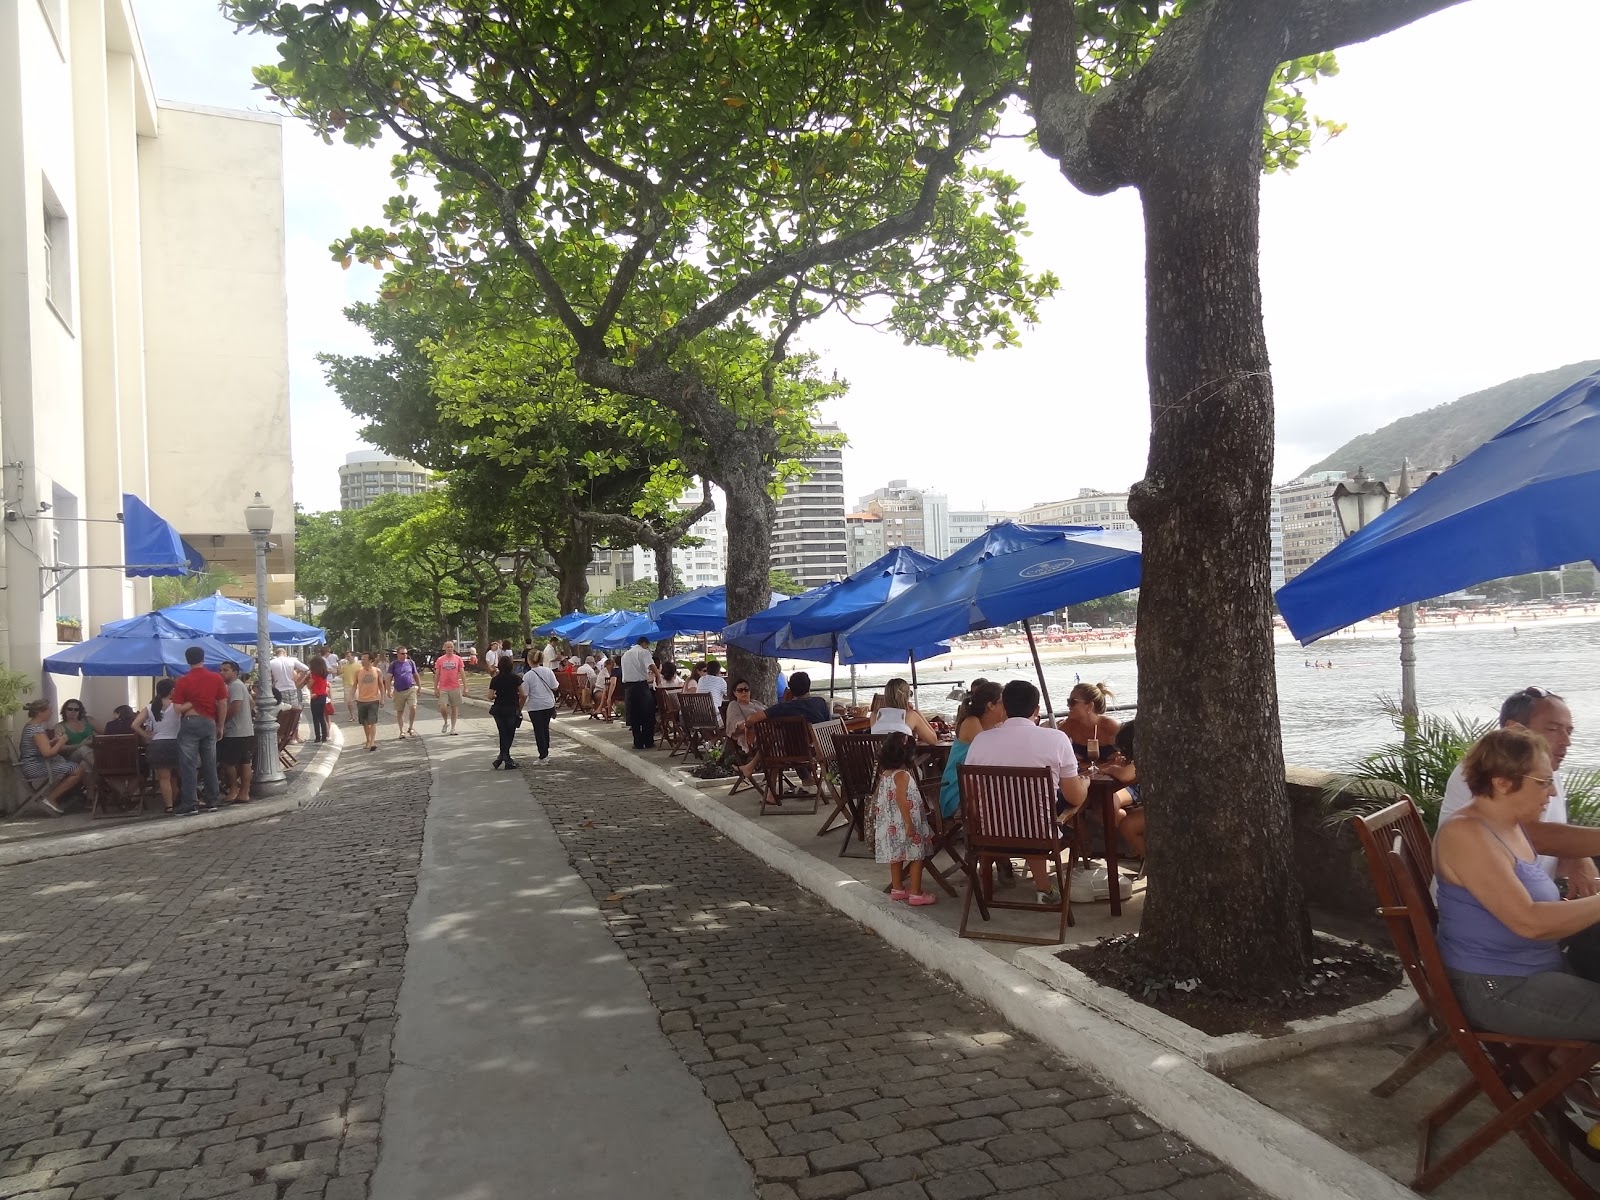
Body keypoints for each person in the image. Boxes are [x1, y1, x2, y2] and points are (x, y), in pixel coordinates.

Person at [1435, 727, 1600, 1042]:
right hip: (1497, 986)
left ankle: (1551, 1070)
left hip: (1536, 968)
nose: (1551, 793)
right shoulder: (1466, 835)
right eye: (1543, 782)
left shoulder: (1510, 827)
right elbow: (1530, 922)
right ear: (1502, 783)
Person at [1440, 686, 1598, 897]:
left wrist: (1579, 858)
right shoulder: (1486, 770)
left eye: (1568, 731)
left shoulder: (1543, 769)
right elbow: (1531, 836)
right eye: (1553, 729)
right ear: (1513, 729)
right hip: (1493, 913)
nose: (1566, 741)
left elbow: (1556, 832)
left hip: (1537, 902)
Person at [965, 679, 1088, 904]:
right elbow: (1074, 797)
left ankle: (1036, 889)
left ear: (1005, 708)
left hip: (990, 834)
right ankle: (1044, 888)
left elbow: (970, 794)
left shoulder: (981, 741)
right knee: (1043, 814)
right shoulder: (1056, 739)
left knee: (1024, 814)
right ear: (1036, 710)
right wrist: (1086, 784)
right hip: (1038, 836)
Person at [871, 715, 935, 906]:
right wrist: (909, 823)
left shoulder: (885, 774)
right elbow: (901, 799)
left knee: (896, 857)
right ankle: (916, 892)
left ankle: (897, 888)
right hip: (905, 823)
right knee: (916, 856)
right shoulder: (903, 776)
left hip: (891, 825)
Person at [171, 646, 229, 815]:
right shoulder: (216, 678)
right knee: (210, 761)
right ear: (203, 658)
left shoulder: (182, 681)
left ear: (187, 660)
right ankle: (213, 800)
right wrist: (221, 725)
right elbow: (223, 703)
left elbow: (176, 709)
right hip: (209, 722)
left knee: (188, 764)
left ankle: (190, 803)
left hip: (190, 722)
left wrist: (190, 704)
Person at [939, 679, 1003, 820]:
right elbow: (991, 755)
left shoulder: (995, 726)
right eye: (1002, 702)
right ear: (991, 705)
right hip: (959, 792)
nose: (1006, 706)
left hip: (976, 788)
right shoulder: (972, 723)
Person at [18, 698, 85, 816]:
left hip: (31, 765)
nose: (52, 713)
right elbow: (48, 753)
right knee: (78, 770)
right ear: (40, 713)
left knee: (73, 766)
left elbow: (42, 747)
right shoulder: (36, 730)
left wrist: (54, 740)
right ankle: (51, 798)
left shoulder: (31, 727)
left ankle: (53, 798)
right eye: (49, 710)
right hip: (35, 767)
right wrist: (62, 741)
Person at [134, 679, 181, 815]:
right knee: (178, 775)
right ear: (172, 690)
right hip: (175, 742)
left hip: (158, 743)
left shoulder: (150, 707)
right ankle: (179, 799)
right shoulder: (176, 706)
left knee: (164, 777)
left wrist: (146, 735)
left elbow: (135, 724)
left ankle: (169, 806)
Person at [1102, 720, 1144, 859]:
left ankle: (1153, 861)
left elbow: (1126, 775)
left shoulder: (1145, 756)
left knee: (1128, 826)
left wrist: (1112, 769)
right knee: (1110, 805)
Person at [217, 661, 256, 803]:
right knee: (244, 762)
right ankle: (244, 791)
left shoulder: (235, 686)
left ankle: (235, 789)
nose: (222, 672)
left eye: (226, 670)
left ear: (235, 672)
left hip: (236, 731)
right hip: (244, 729)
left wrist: (222, 723)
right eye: (221, 670)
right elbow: (251, 703)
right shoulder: (240, 686)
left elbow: (235, 706)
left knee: (229, 762)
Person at [1057, 681, 1120, 763]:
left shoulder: (1109, 726)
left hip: (1109, 773)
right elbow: (1054, 749)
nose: (1068, 706)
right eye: (1069, 701)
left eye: (1072, 702)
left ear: (1089, 706)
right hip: (1083, 774)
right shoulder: (1070, 725)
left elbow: (1132, 751)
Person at [723, 680, 766, 785]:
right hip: (753, 738)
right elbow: (738, 725)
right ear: (734, 692)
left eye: (746, 689)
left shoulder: (756, 703)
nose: (743, 692)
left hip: (768, 732)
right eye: (740, 690)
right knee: (772, 741)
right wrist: (753, 723)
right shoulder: (734, 705)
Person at [872, 677, 938, 744]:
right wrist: (918, 713)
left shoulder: (875, 715)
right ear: (906, 696)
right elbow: (933, 740)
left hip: (879, 754)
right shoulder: (911, 716)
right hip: (902, 754)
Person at [487, 655, 526, 769]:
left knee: (502, 733)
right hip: (511, 708)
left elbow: (489, 696)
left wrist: (497, 696)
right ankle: (506, 758)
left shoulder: (495, 679)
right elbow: (523, 694)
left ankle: (502, 757)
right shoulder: (516, 678)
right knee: (510, 733)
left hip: (499, 708)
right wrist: (519, 705)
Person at [521, 648, 560, 762]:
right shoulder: (548, 671)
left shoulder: (527, 676)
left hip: (535, 705)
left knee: (538, 730)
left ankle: (543, 754)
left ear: (529, 660)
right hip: (548, 704)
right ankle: (545, 751)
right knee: (545, 728)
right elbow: (555, 687)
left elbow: (525, 693)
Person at [621, 636, 657, 749]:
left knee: (634, 716)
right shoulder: (643, 652)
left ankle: (638, 742)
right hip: (641, 686)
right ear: (644, 643)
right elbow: (651, 665)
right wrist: (658, 677)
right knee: (647, 714)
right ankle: (648, 741)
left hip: (629, 688)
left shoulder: (625, 655)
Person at [763, 671, 830, 725]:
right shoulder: (820, 702)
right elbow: (829, 724)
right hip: (818, 740)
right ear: (809, 686)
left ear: (791, 689)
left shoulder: (782, 708)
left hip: (792, 741)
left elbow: (755, 717)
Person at [434, 639, 468, 735]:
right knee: (443, 707)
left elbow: (462, 673)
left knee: (454, 707)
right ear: (445, 648)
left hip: (455, 686)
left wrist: (465, 687)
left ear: (454, 648)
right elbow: (437, 674)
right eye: (447, 647)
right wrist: (435, 687)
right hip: (443, 687)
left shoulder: (458, 659)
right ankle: (445, 722)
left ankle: (453, 728)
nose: (449, 649)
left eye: (451, 647)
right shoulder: (440, 660)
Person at [388, 647, 420, 739]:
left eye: (405, 653)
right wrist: (388, 690)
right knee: (400, 711)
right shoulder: (393, 664)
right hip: (398, 690)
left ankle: (410, 727)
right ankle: (401, 731)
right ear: (397, 654)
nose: (404, 655)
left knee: (413, 707)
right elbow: (388, 677)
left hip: (410, 688)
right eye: (402, 653)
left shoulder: (410, 663)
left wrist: (419, 686)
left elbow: (415, 674)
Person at [354, 653, 383, 751]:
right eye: (361, 659)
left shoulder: (377, 671)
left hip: (373, 700)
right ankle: (368, 740)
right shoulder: (358, 672)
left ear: (371, 660)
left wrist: (382, 698)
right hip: (361, 700)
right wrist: (351, 697)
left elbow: (381, 685)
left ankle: (372, 742)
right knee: (365, 722)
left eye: (364, 659)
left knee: (372, 721)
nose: (362, 661)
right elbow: (354, 685)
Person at [307, 655, 332, 743]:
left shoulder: (314, 676)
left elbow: (309, 686)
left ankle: (318, 736)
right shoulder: (324, 675)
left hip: (315, 696)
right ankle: (324, 736)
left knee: (315, 718)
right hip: (323, 696)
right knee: (322, 716)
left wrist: (308, 679)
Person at [340, 651, 360, 719]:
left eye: (349, 656)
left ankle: (361, 714)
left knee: (359, 701)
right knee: (349, 702)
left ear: (353, 656)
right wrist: (339, 665)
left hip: (357, 685)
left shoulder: (358, 665)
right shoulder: (345, 666)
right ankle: (352, 716)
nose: (348, 658)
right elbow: (339, 672)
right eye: (347, 656)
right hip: (347, 685)